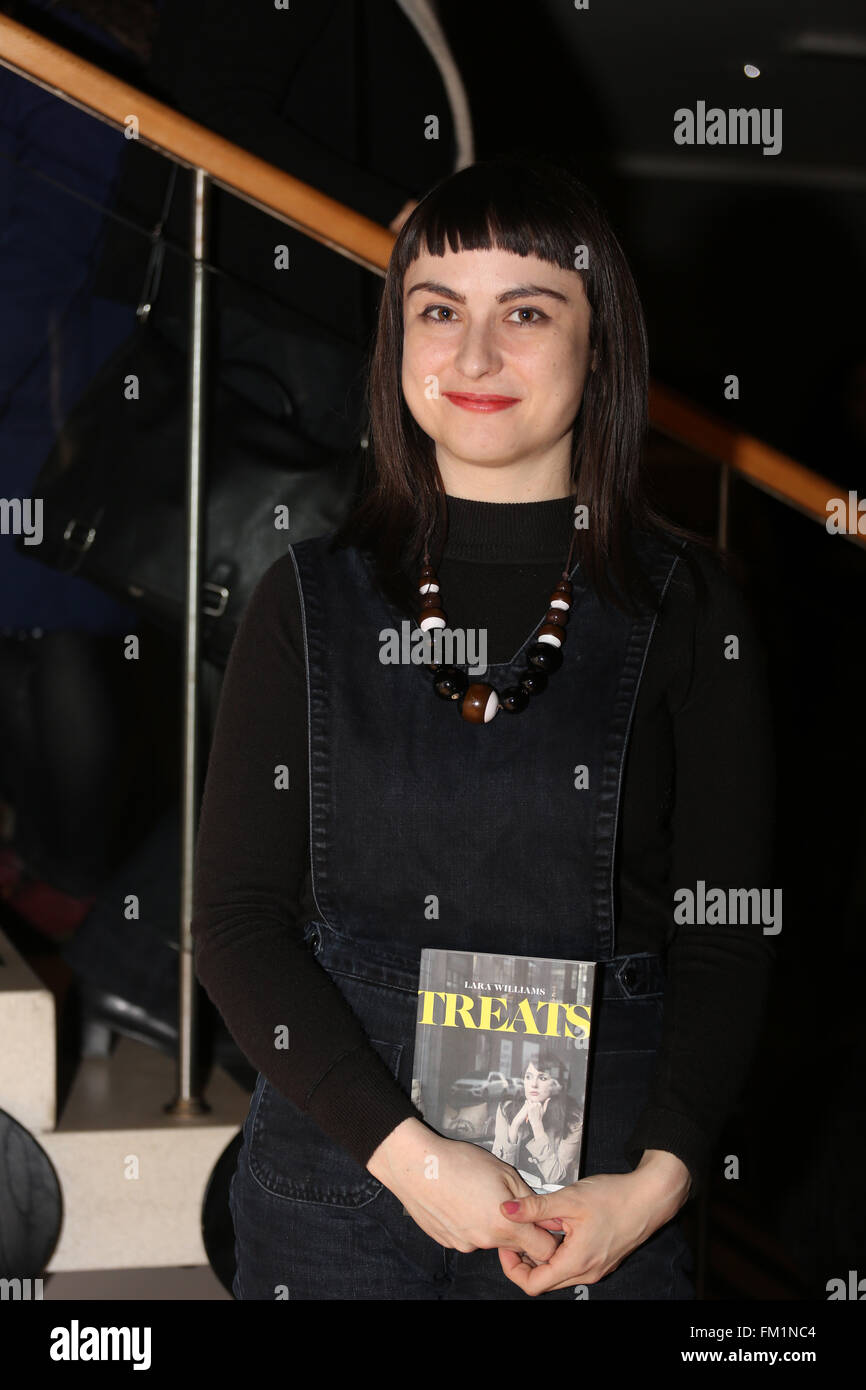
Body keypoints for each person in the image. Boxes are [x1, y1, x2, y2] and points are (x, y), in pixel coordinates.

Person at [191, 155, 776, 1301]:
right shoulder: (306, 598)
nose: (470, 356)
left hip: (597, 1210)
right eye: (436, 312)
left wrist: (650, 1190)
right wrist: (413, 1162)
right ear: (396, 341)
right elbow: (234, 927)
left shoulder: (690, 608)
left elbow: (726, 932)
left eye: (523, 311)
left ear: (596, 340)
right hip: (340, 1193)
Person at [492, 1056, 583, 1190]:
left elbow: (555, 1177)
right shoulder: (507, 1109)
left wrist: (537, 1126)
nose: (533, 1084)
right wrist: (515, 1124)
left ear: (557, 1085)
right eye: (528, 1077)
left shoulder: (573, 1120)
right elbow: (499, 1171)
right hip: (513, 1189)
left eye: (542, 1078)